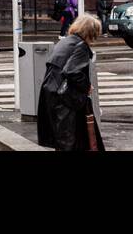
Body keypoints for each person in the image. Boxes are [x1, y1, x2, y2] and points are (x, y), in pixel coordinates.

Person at [37, 14, 106, 151]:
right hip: (64, 98)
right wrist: (87, 86)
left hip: (51, 92)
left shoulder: (66, 41)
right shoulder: (80, 46)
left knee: (61, 138)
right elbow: (72, 71)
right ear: (90, 33)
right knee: (69, 139)